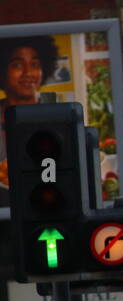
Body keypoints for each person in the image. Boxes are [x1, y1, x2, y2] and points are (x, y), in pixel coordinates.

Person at [0, 35, 61, 202]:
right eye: (17, 65)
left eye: (35, 65)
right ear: (3, 71)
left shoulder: (57, 117)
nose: (28, 73)